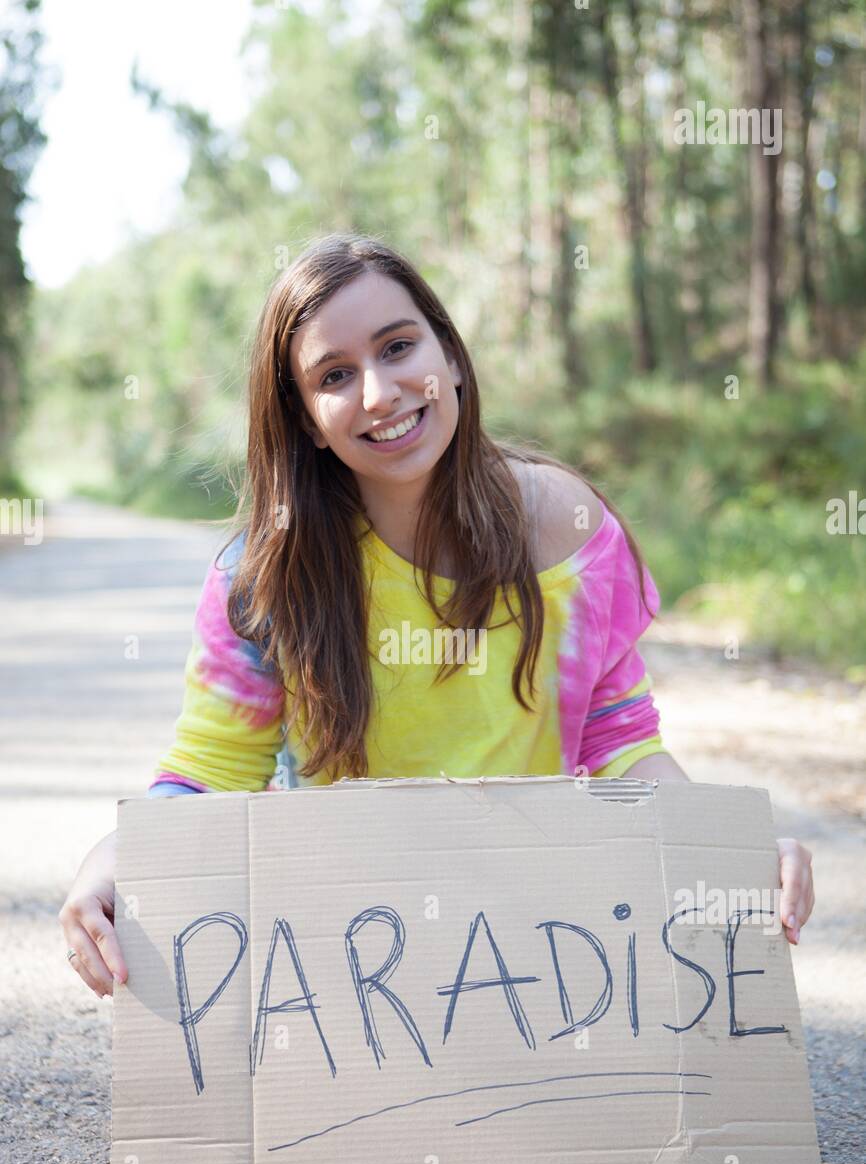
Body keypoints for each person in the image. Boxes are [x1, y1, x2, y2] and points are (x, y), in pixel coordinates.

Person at [58, 232, 815, 997]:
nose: (380, 393)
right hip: (349, 968)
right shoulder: (266, 576)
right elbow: (210, 771)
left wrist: (730, 849)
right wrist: (113, 858)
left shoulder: (566, 531)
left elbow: (618, 744)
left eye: (397, 347)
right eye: (336, 375)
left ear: (449, 355)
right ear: (307, 419)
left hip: (541, 952)